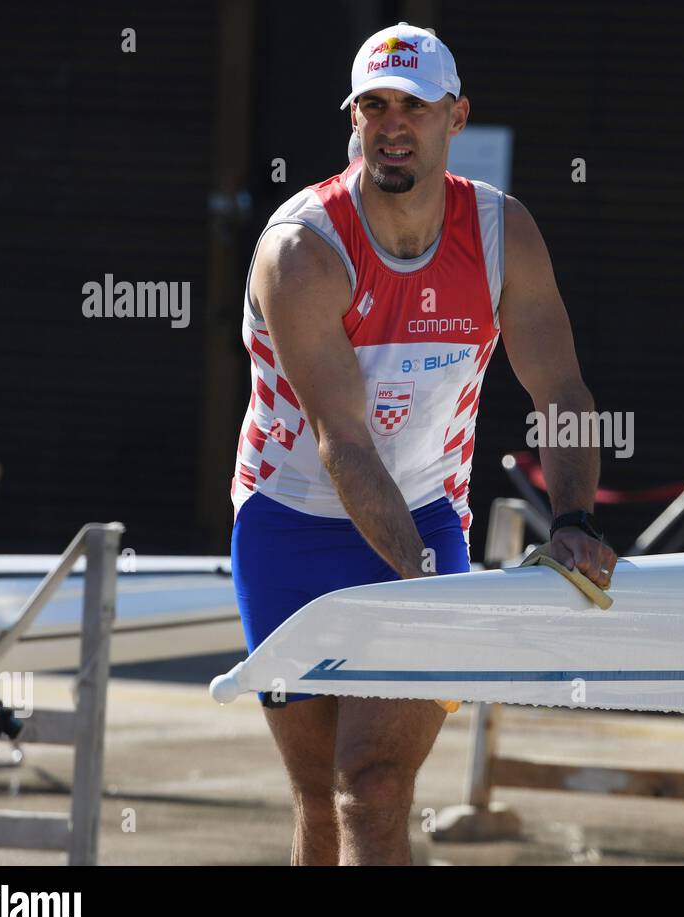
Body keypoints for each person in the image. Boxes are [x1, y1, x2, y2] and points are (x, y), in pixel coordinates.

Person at [228, 21, 618, 864]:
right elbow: (343, 441)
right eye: (374, 104)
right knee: (319, 804)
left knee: (371, 788)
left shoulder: (501, 233)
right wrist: (433, 591)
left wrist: (575, 517)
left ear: (456, 116)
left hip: (425, 512)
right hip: (290, 525)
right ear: (354, 119)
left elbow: (563, 390)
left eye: (414, 104)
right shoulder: (303, 251)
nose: (392, 122)